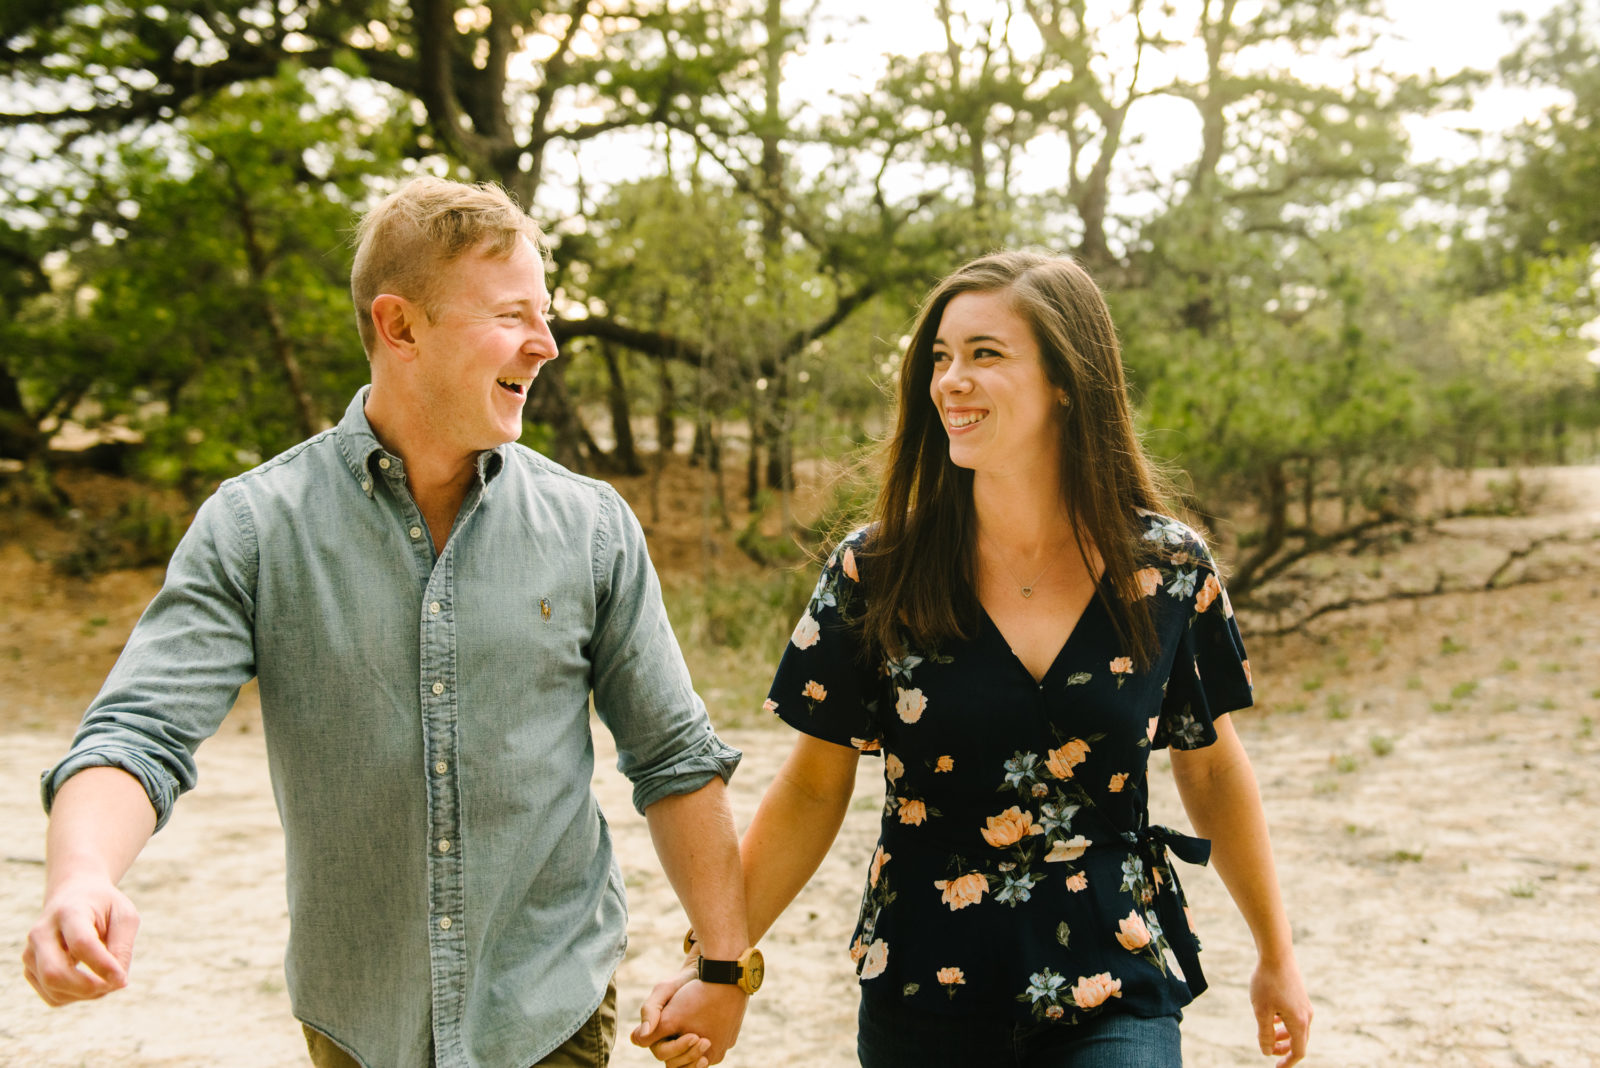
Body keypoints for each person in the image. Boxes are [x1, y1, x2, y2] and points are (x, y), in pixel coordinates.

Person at [23, 176, 758, 1068]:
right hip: (357, 1021)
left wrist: (724, 965)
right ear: (400, 326)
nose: (548, 343)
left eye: (547, 312)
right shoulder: (256, 526)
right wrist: (81, 875)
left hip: (548, 1008)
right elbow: (140, 731)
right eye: (513, 314)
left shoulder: (592, 527)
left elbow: (674, 756)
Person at [635, 250, 1312, 1067]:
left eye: (985, 354)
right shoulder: (875, 571)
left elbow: (1210, 769)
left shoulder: (1168, 570)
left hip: (1113, 972)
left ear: (1068, 379)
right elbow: (813, 786)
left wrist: (1277, 954)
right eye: (941, 358)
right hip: (924, 984)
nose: (951, 379)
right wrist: (719, 968)